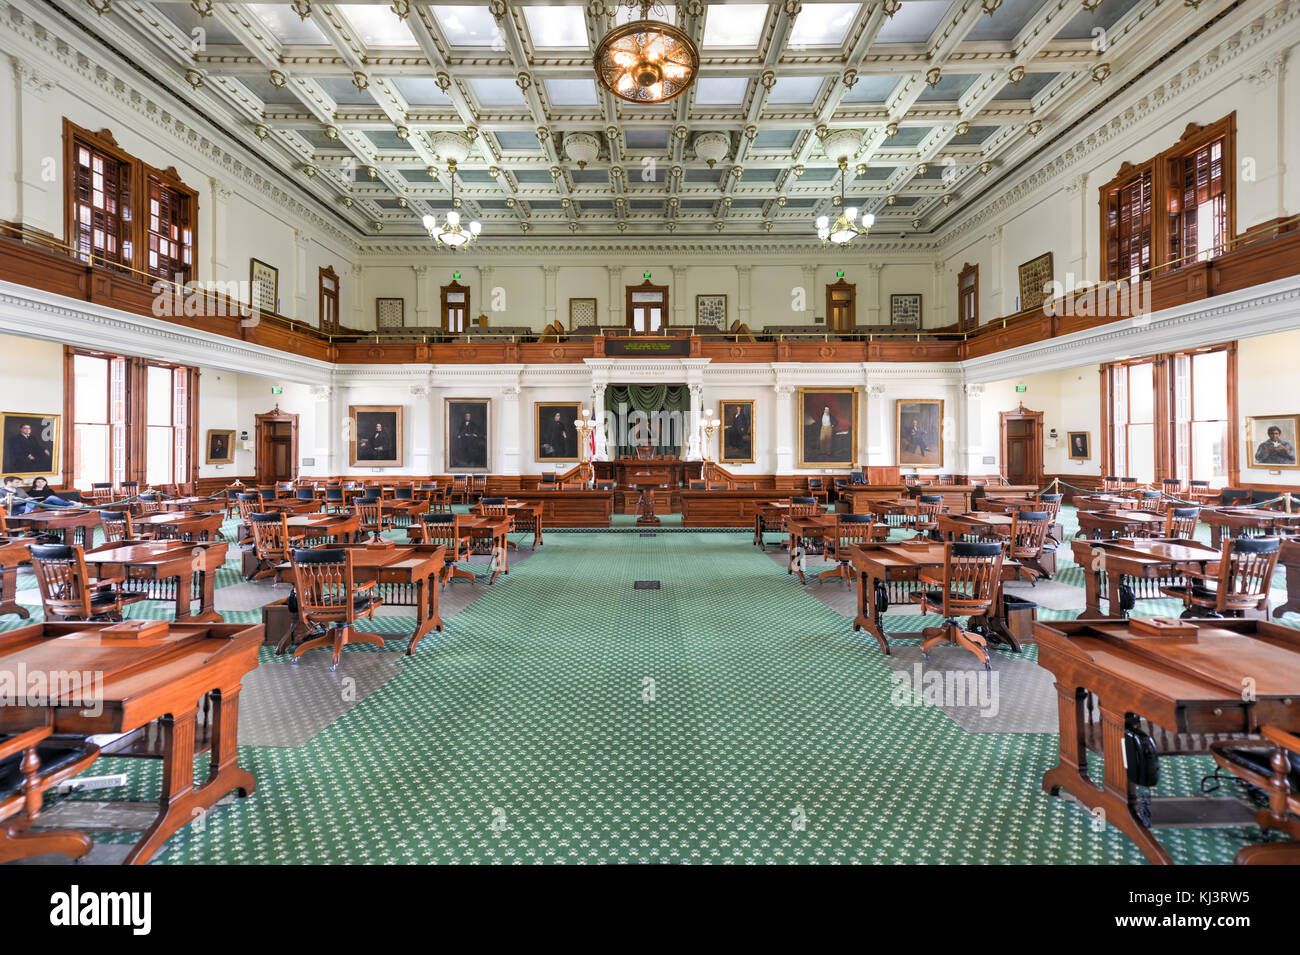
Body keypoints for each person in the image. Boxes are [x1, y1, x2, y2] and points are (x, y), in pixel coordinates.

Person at [2, 475, 77, 514]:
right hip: (14, 508)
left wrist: (30, 499)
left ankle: (71, 506)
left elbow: (29, 498)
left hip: (33, 505)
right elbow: (3, 503)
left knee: (50, 499)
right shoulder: (1, 491)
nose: (18, 484)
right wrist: (23, 501)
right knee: (35, 506)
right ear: (8, 482)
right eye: (16, 482)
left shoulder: (20, 490)